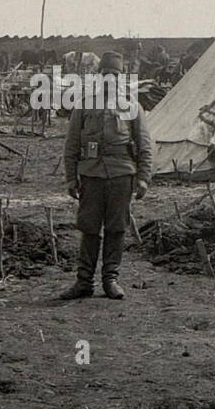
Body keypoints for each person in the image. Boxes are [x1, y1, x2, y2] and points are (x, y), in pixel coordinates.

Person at [59, 51, 153, 300]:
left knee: (116, 228)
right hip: (91, 176)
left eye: (115, 75)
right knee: (89, 227)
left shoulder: (133, 107)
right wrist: (71, 177)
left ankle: (111, 279)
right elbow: (71, 145)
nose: (110, 79)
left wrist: (143, 178)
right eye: (105, 74)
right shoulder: (84, 105)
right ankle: (84, 282)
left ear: (121, 79)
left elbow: (144, 146)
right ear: (98, 77)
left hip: (122, 175)